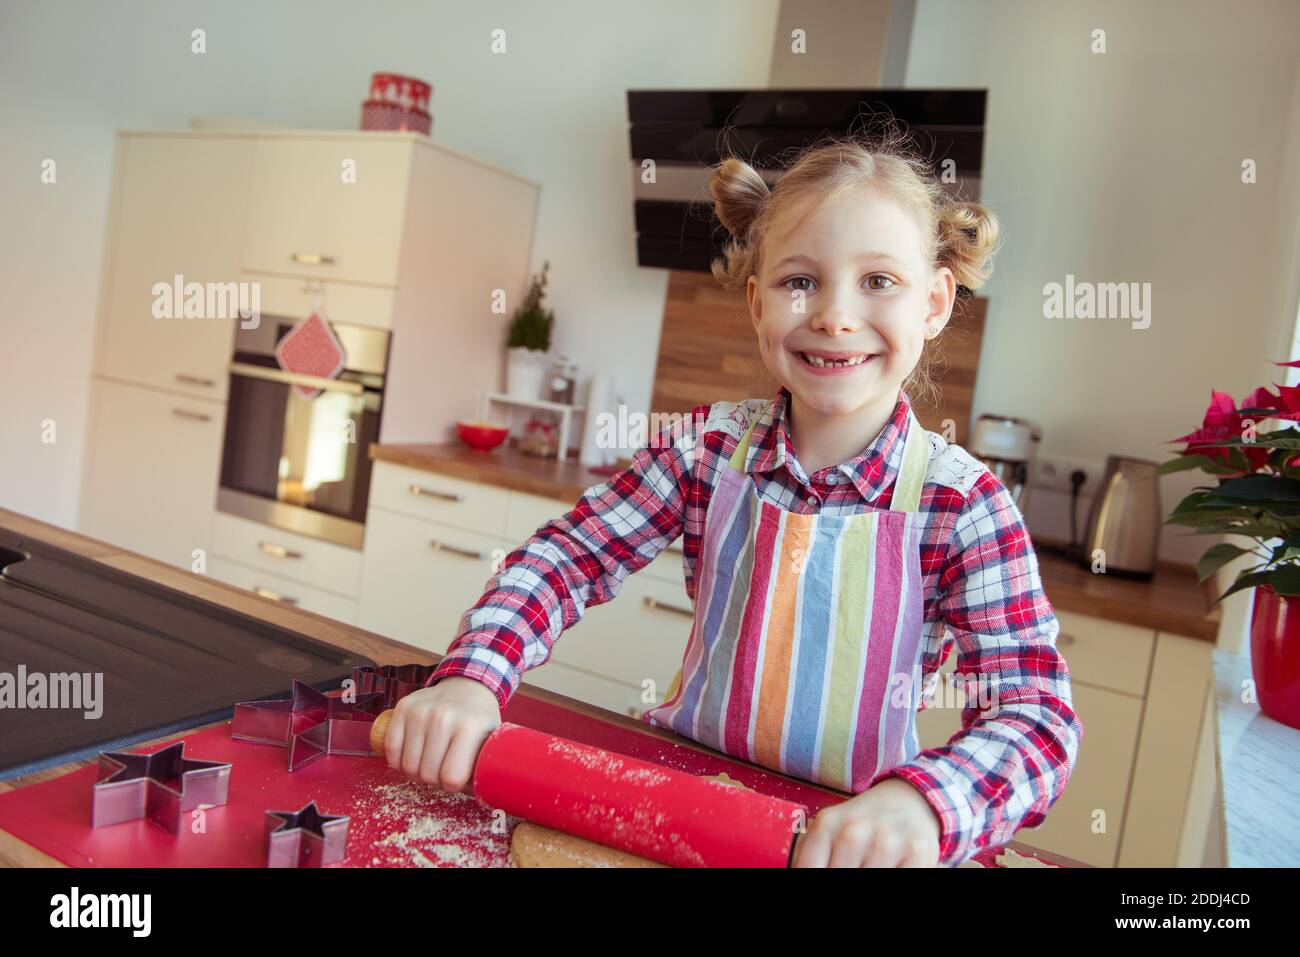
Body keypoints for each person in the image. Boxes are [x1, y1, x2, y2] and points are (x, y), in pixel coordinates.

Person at [382, 129, 1083, 868]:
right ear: (757, 303)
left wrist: (923, 803)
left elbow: (1035, 718)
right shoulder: (704, 452)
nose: (835, 317)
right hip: (685, 806)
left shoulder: (963, 505)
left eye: (878, 280)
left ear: (936, 303)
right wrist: (472, 678)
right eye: (800, 281)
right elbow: (566, 558)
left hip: (847, 839)